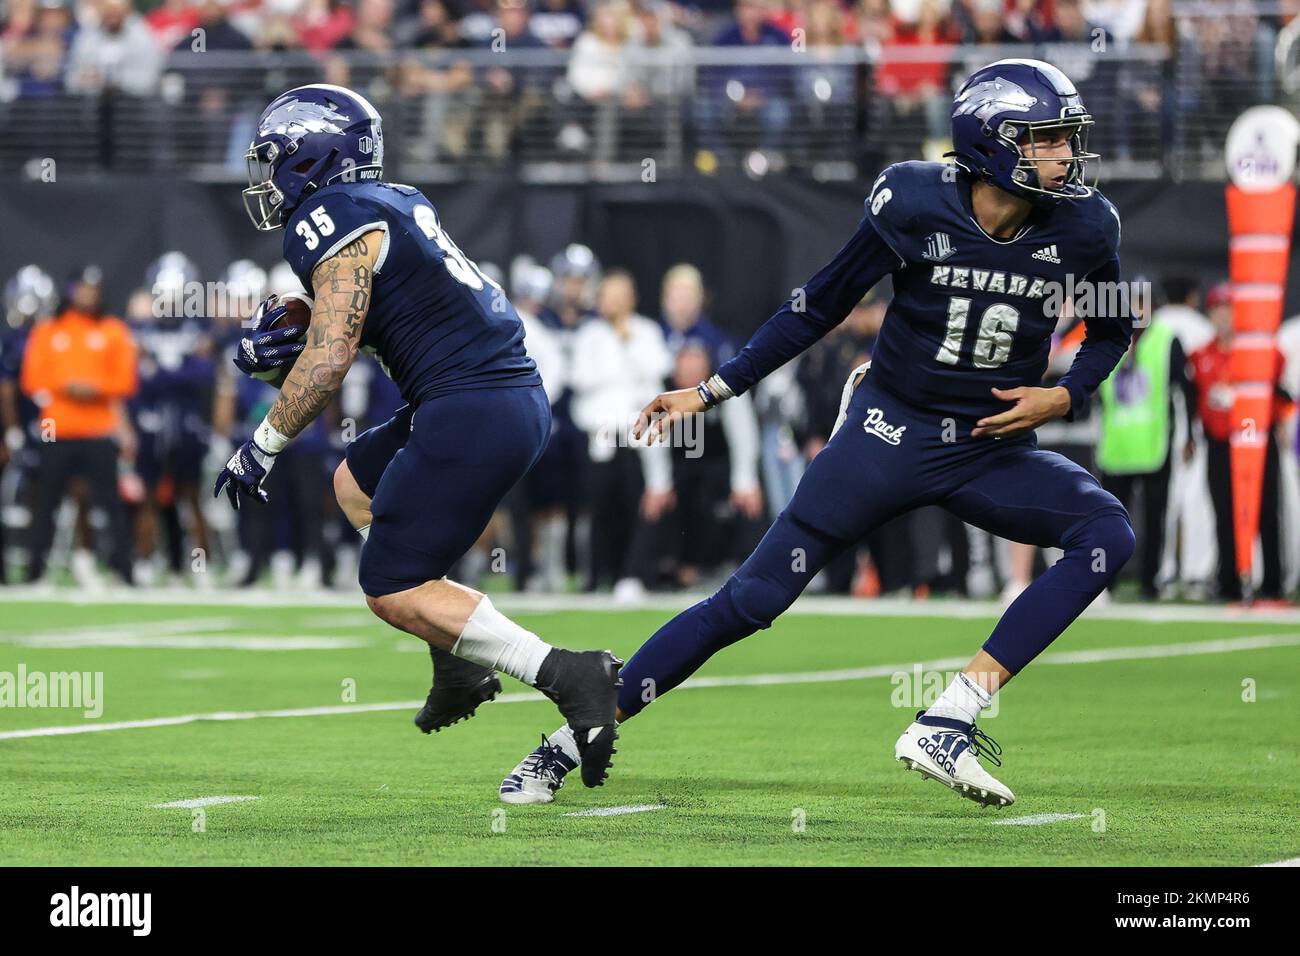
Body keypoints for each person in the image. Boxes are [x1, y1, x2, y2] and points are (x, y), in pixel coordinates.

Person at [499, 59, 1136, 808]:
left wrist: (1063, 396)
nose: (1066, 157)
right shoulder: (913, 200)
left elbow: (1113, 330)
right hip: (888, 432)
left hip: (990, 447)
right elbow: (818, 306)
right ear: (993, 144)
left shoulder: (1088, 224)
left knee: (1106, 535)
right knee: (750, 601)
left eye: (1067, 140)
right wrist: (714, 388)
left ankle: (951, 717)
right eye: (1048, 140)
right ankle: (571, 737)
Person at [220, 84, 621, 787]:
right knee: (355, 485)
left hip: (473, 404)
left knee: (388, 584)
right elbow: (379, 309)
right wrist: (301, 321)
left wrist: (261, 447)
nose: (266, 176)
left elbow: (332, 354)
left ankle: (567, 674)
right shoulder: (397, 200)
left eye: (274, 158)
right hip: (496, 396)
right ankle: (458, 664)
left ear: (314, 156)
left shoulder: (327, 214)